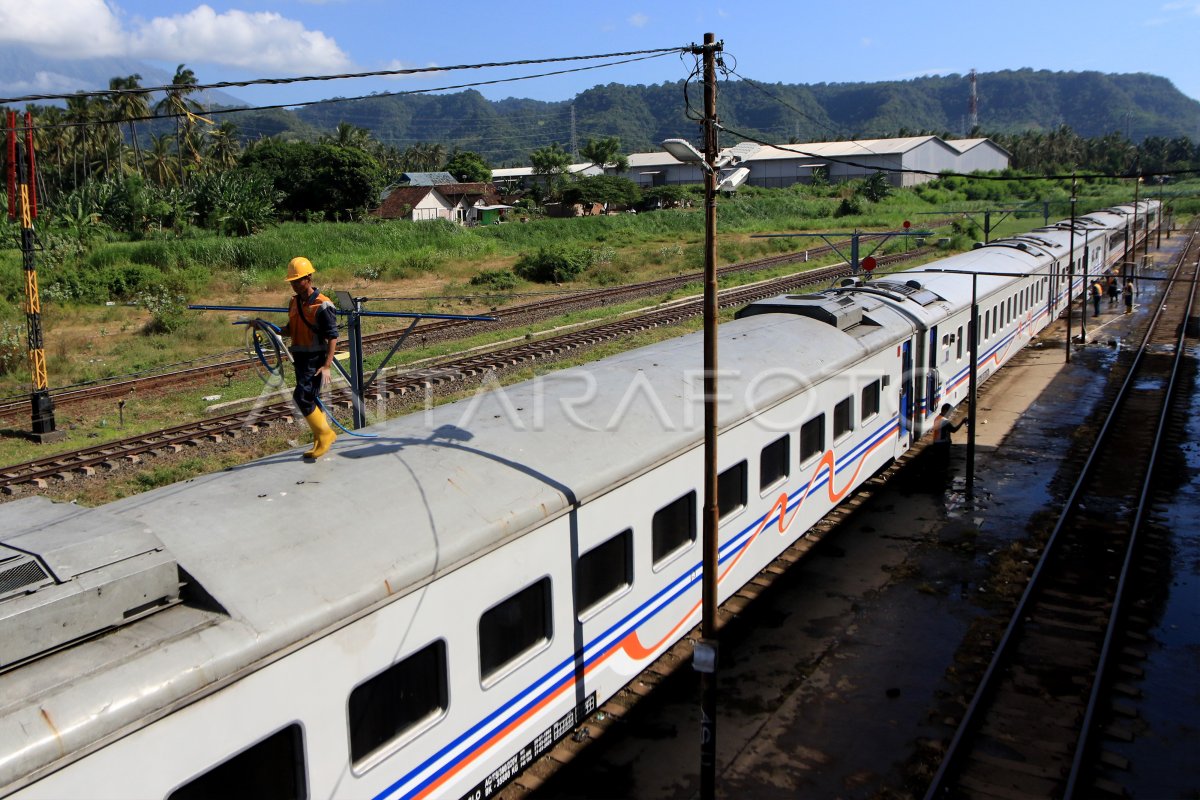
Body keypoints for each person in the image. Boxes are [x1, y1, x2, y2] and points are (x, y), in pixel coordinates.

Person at [282, 256, 339, 458]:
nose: (295, 285)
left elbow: (332, 337)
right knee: (310, 398)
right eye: (292, 282)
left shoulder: (323, 305)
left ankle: (325, 434)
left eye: (298, 280)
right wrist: (269, 329)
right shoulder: (294, 302)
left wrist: (327, 365)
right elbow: (290, 329)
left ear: (309, 278)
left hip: (315, 359)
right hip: (300, 358)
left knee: (302, 397)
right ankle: (319, 440)